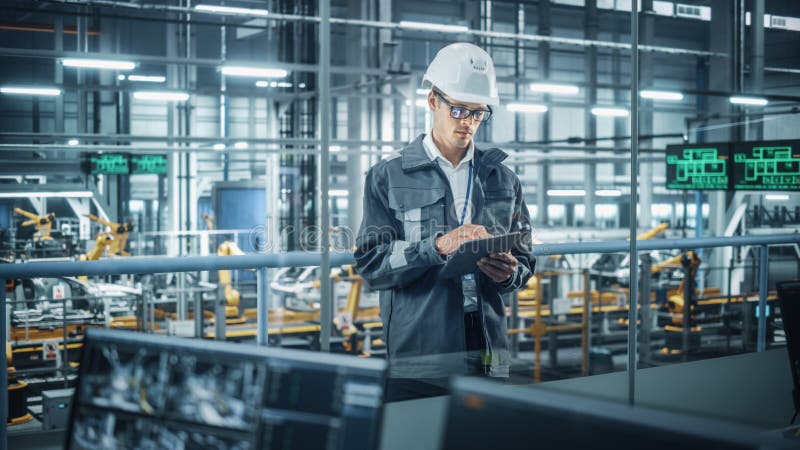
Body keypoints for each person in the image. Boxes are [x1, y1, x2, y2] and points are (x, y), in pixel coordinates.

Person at [354, 42, 534, 402]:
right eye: (458, 109)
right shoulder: (388, 176)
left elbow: (526, 260)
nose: (467, 122)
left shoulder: (502, 179)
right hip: (421, 357)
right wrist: (434, 248)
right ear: (432, 101)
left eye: (478, 113)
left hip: (487, 353)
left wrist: (510, 273)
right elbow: (372, 264)